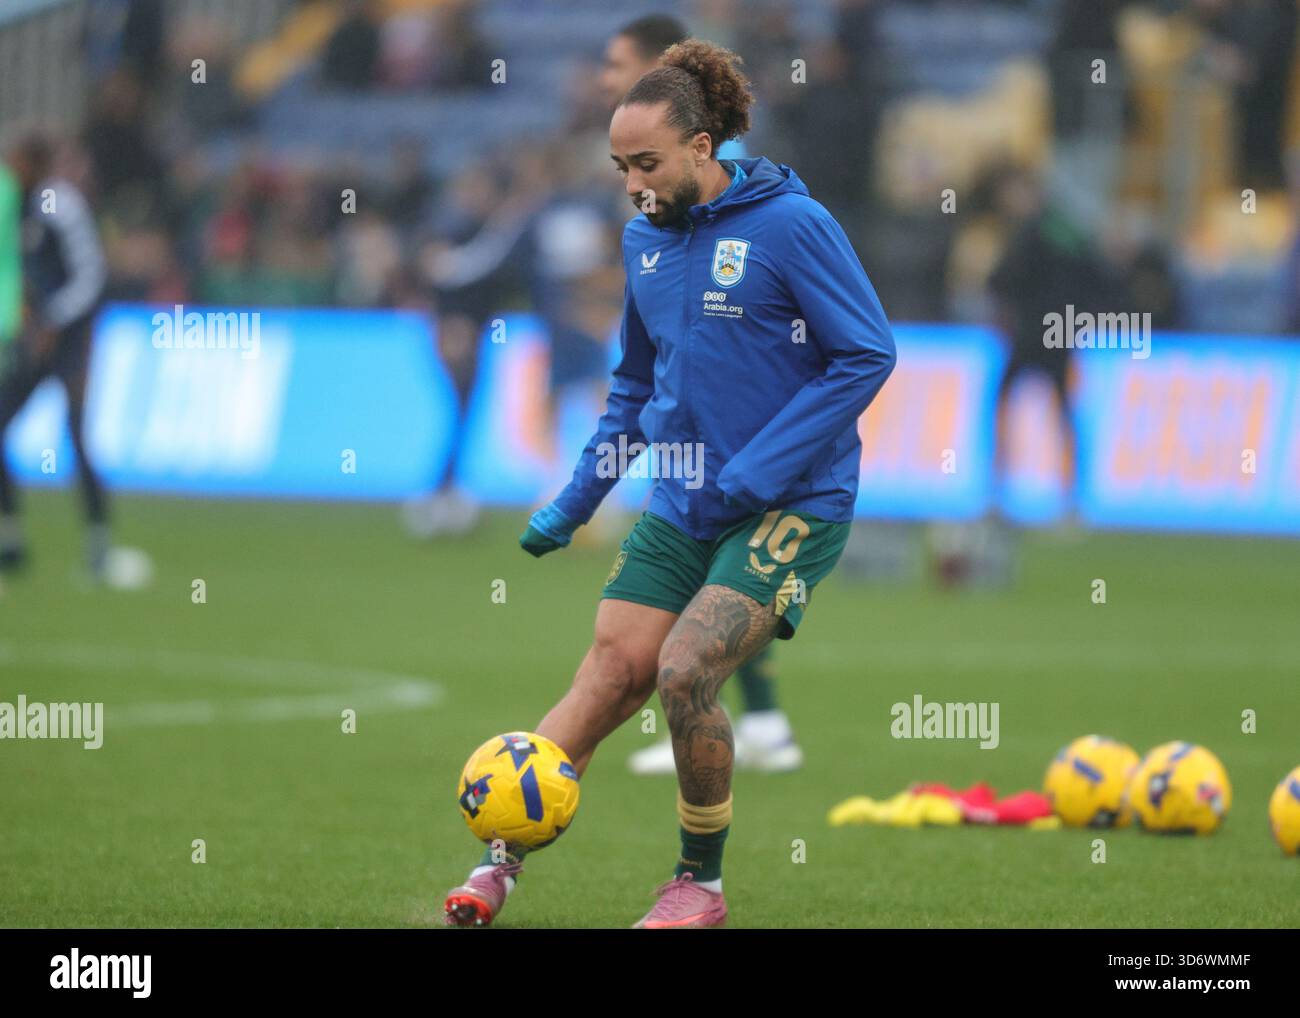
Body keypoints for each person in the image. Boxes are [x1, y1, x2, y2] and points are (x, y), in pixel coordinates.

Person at [443, 40, 896, 929]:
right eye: (619, 167)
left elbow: (867, 355)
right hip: (684, 498)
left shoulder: (793, 227)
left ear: (703, 146)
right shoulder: (646, 238)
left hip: (792, 503)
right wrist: (576, 502)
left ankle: (700, 884)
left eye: (646, 163)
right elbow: (634, 385)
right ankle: (500, 860)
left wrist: (762, 466)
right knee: (612, 673)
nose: (631, 184)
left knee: (685, 669)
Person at [599, 12, 801, 777]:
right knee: (711, 575)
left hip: (735, 432)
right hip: (697, 418)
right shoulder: (650, 169)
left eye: (619, 64)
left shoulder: (713, 177)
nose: (604, 76)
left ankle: (751, 722)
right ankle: (755, 719)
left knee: (717, 573)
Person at [0, 133, 111, 577]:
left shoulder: (59, 204)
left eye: (15, 158)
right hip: (34, 340)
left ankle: (98, 543)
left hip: (70, 341)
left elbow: (91, 274)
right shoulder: (21, 204)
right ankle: (10, 538)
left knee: (76, 434)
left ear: (34, 162)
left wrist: (52, 318)